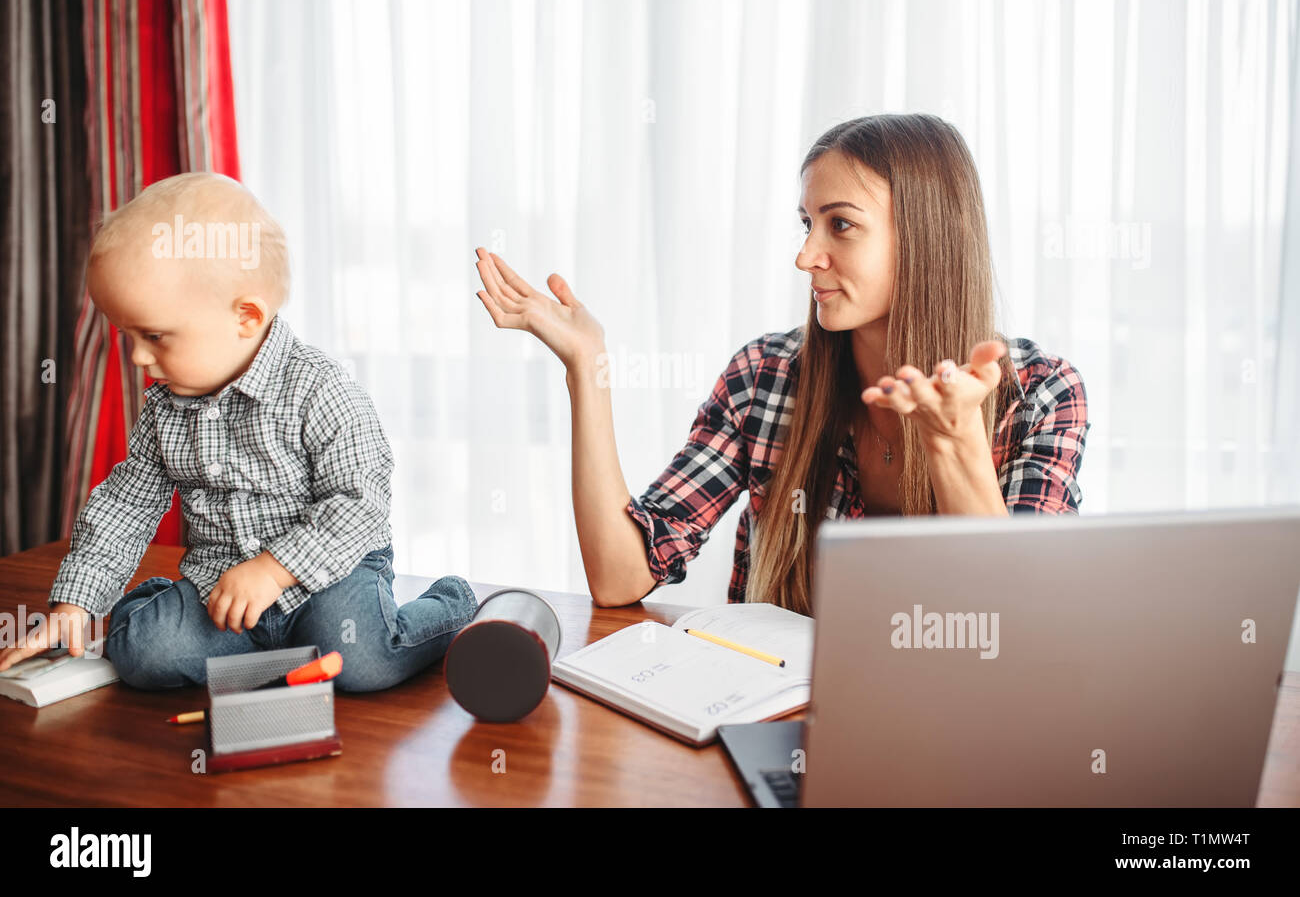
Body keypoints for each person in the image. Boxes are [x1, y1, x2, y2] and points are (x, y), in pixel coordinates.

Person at [474, 113, 1090, 615]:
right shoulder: (765, 376)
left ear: (926, 238)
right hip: (775, 728)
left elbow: (1014, 632)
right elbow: (619, 576)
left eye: (840, 225)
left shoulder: (1041, 396)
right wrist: (588, 365)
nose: (805, 257)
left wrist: (955, 445)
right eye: (806, 224)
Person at [0, 173, 477, 689]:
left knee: (361, 660)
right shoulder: (166, 407)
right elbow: (126, 505)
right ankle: (262, 650)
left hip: (326, 577)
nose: (138, 356)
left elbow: (361, 501)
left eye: (155, 336)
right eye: (128, 335)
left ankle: (452, 604)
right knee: (142, 653)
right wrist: (75, 603)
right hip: (221, 586)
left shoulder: (318, 387)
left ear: (246, 317)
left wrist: (274, 569)